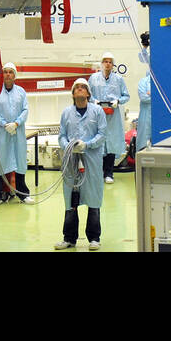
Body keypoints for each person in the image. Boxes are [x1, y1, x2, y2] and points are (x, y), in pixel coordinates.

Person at [56, 79, 107, 250]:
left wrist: (87, 144)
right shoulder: (66, 113)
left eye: (83, 87)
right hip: (71, 161)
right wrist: (68, 146)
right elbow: (61, 135)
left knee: (93, 198)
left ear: (88, 93)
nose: (80, 89)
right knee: (71, 200)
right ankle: (69, 238)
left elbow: (102, 134)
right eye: (77, 87)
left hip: (91, 161)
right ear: (72, 94)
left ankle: (94, 237)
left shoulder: (97, 111)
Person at [0, 62, 33, 205]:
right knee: (0, 163)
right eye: (5, 72)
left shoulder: (21, 92)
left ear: (15, 76)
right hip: (2, 132)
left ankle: (23, 194)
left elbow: (25, 110)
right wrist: (4, 124)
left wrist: (16, 123)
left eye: (10, 72)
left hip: (17, 132)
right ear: (2, 75)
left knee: (20, 161)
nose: (8, 74)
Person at [88, 52, 129, 183]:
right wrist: (93, 101)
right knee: (98, 141)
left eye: (110, 62)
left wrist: (118, 101)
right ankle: (98, 172)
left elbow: (126, 96)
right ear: (101, 63)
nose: (107, 64)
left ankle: (109, 173)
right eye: (105, 61)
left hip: (113, 115)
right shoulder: (93, 78)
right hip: (97, 115)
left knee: (111, 143)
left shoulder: (118, 79)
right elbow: (87, 94)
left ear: (113, 65)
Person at [135, 70, 152, 152]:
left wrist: (150, 93)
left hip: (160, 116)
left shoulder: (164, 81)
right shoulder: (144, 81)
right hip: (146, 116)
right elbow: (143, 97)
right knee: (143, 143)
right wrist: (156, 96)